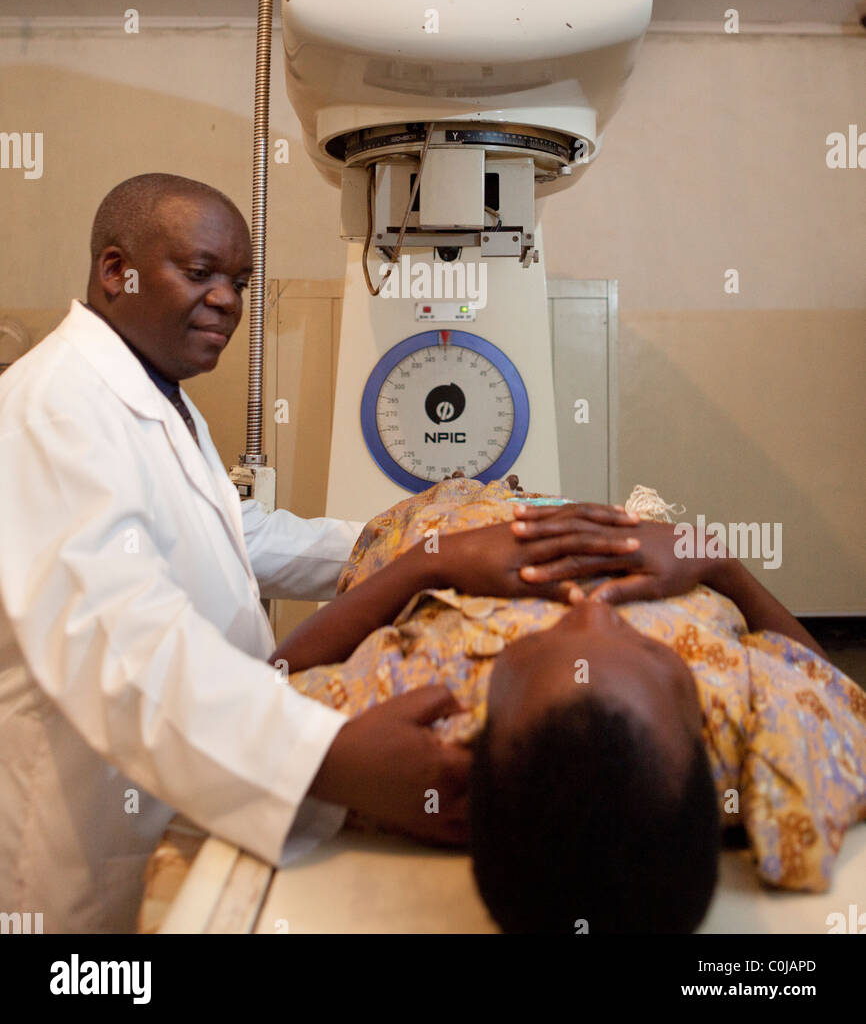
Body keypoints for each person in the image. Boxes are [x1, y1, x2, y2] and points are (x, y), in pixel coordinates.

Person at [0, 173, 638, 933]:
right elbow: (113, 643)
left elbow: (244, 533)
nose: (227, 300)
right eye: (198, 273)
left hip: (199, 773)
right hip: (93, 825)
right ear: (117, 271)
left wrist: (422, 541)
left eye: (238, 280)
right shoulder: (54, 406)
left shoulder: (154, 395)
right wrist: (327, 757)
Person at [274, 477, 866, 934]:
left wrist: (429, 562)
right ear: (703, 742)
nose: (590, 612)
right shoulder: (759, 743)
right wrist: (717, 562)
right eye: (651, 653)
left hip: (451, 521)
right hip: (634, 536)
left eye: (540, 646)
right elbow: (835, 694)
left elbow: (266, 691)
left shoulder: (416, 729)